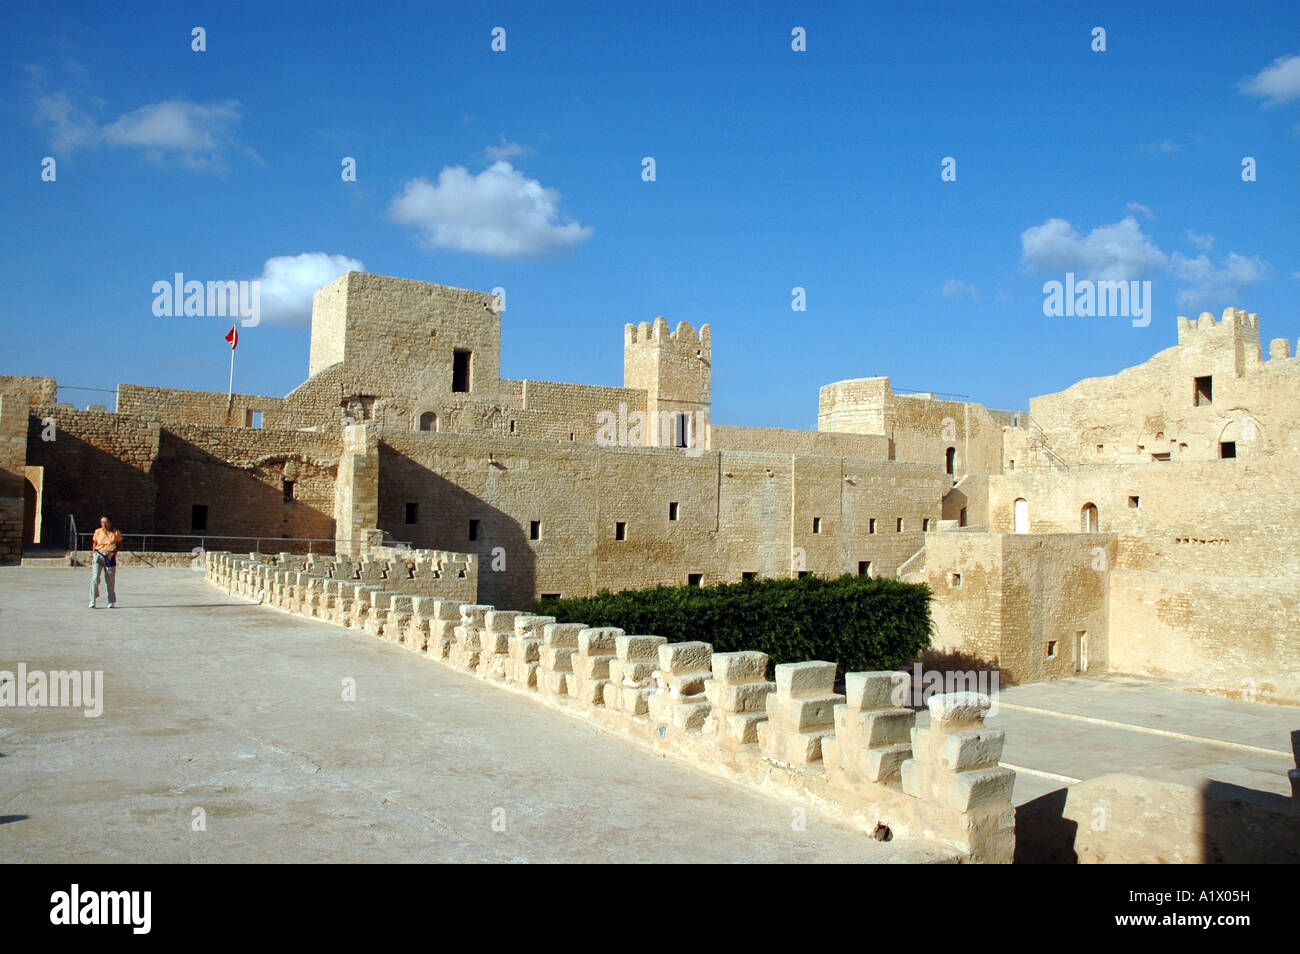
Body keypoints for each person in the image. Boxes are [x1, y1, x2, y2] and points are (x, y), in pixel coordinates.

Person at [90, 515, 123, 609]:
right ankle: (92, 599)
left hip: (109, 556)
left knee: (110, 580)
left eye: (106, 522)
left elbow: (119, 543)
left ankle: (111, 601)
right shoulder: (98, 532)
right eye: (102, 522)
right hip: (98, 554)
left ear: (110, 523)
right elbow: (95, 543)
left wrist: (114, 552)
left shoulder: (115, 533)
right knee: (95, 578)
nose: (104, 524)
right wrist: (94, 553)